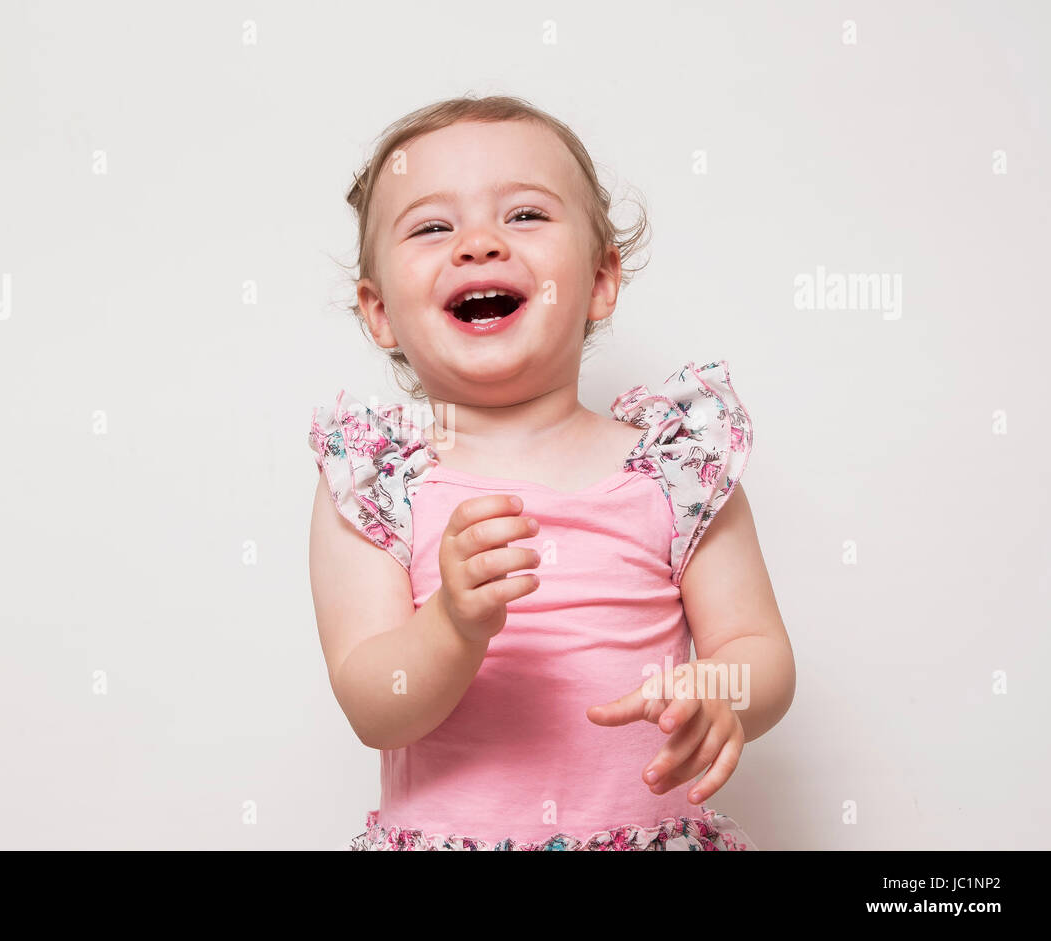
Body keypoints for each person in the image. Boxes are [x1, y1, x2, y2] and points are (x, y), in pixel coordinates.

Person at [307, 95, 795, 850]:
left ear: (600, 280)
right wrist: (453, 625)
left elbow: (760, 652)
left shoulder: (677, 465)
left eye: (525, 215)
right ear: (379, 312)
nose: (478, 244)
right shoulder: (377, 482)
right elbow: (376, 704)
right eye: (433, 226)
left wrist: (718, 687)